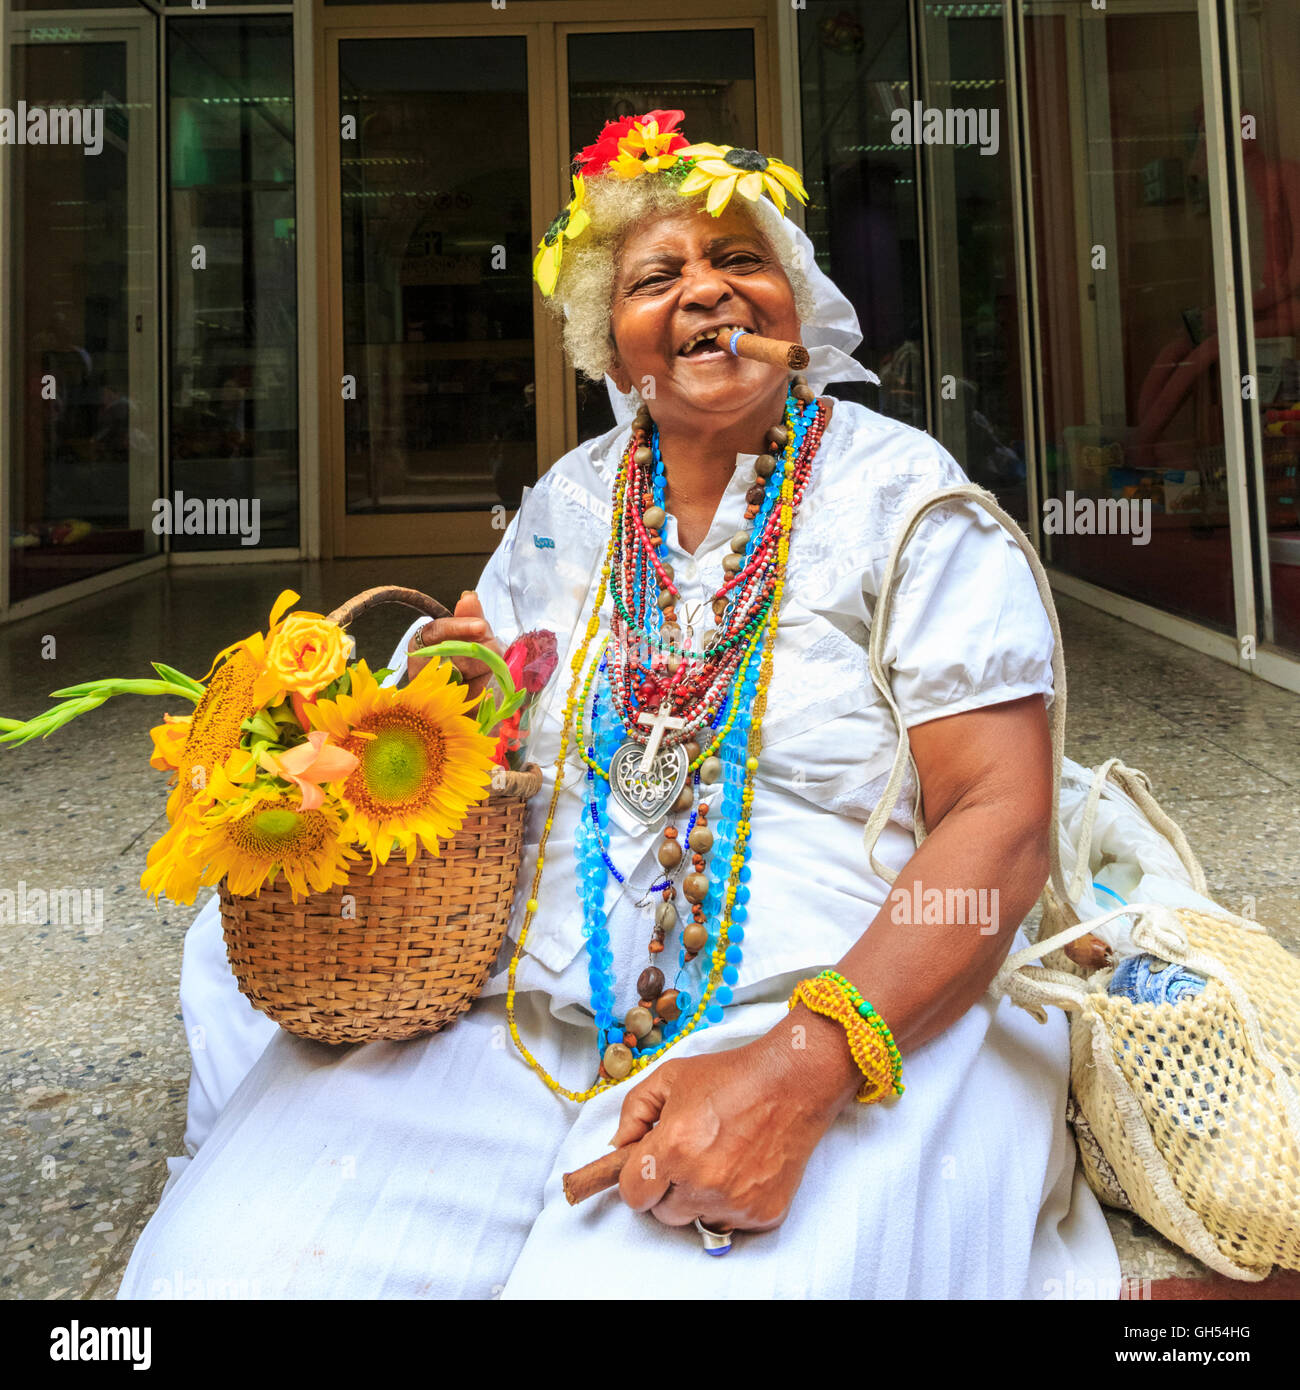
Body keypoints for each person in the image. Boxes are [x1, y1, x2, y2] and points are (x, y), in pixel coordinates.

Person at [117, 112, 1119, 1299]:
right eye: (660, 278)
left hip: (838, 995)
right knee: (230, 1275)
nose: (709, 294)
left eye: (742, 263)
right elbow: (494, 742)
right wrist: (455, 709)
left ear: (797, 307)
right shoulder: (566, 502)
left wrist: (801, 1068)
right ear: (610, 338)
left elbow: (997, 813)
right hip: (526, 994)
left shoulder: (907, 499)